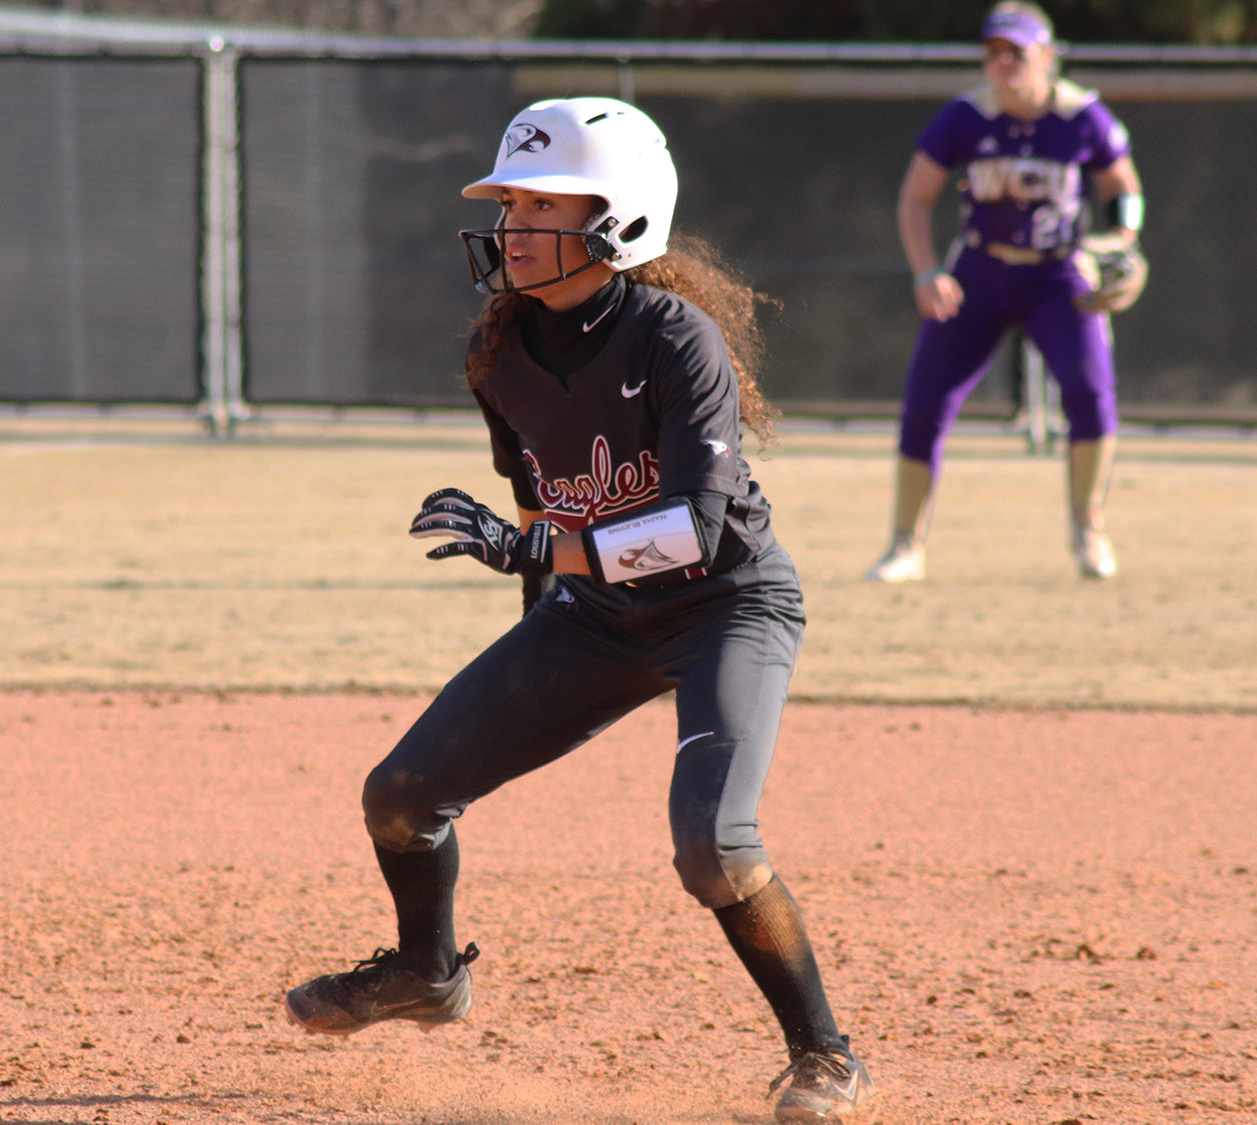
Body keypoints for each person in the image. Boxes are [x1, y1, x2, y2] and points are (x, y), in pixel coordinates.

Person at [281, 96, 877, 1123]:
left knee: (714, 846)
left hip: (723, 604)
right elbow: (532, 499)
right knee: (399, 795)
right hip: (594, 616)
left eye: (536, 206)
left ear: (618, 218)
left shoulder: (672, 338)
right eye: (506, 205)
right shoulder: (501, 342)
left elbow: (692, 527)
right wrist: (532, 618)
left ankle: (824, 1057)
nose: (510, 227)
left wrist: (542, 549)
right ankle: (426, 973)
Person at [866, 0, 1147, 583]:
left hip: (1059, 273)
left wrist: (1122, 239)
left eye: (1016, 51)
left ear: (1046, 55)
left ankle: (1088, 527)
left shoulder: (1080, 115)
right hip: (980, 271)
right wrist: (925, 272)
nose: (1003, 62)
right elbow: (916, 198)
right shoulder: (967, 116)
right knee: (925, 400)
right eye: (994, 51)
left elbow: (1123, 184)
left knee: (1092, 393)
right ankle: (905, 544)